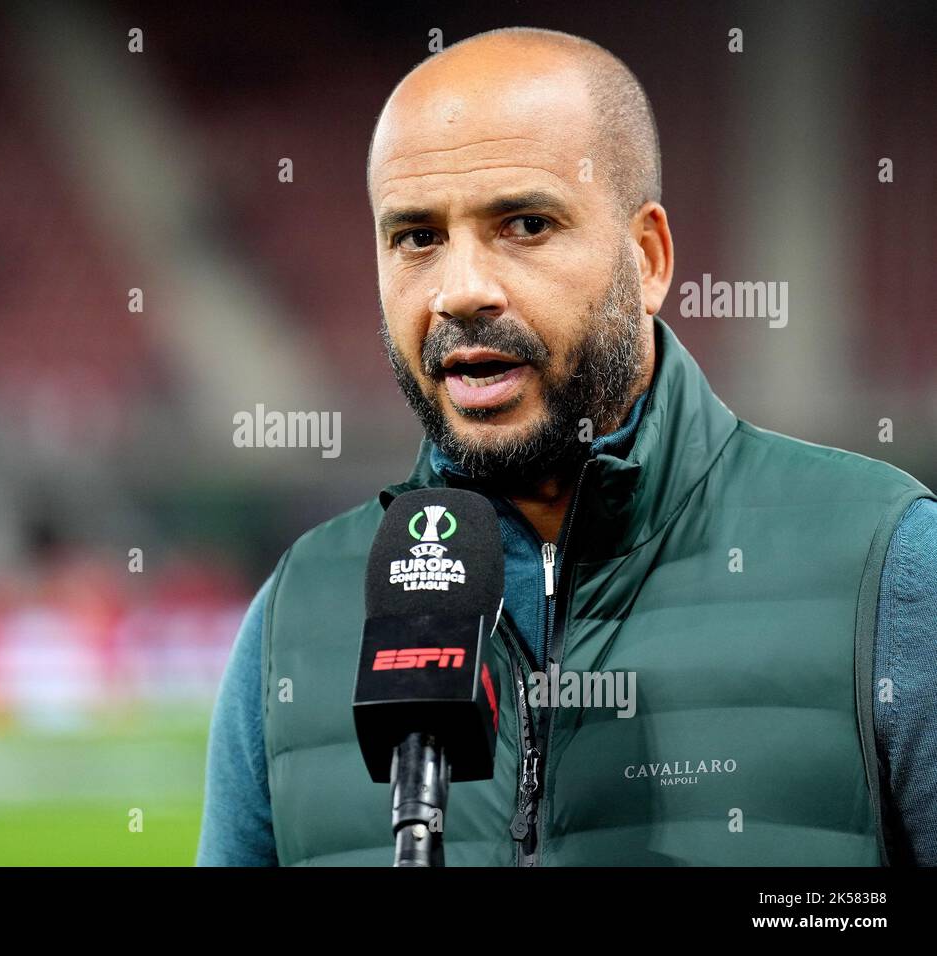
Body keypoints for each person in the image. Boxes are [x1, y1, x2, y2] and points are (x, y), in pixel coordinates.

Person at [197, 26, 937, 866]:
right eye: (416, 237)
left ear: (648, 257)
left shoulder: (892, 567)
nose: (461, 291)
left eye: (524, 223)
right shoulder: (294, 619)